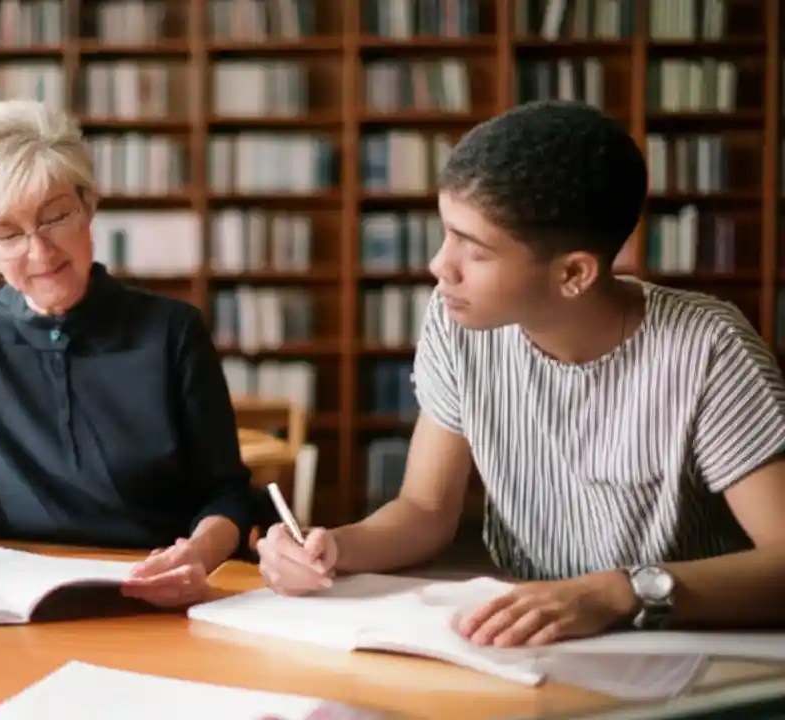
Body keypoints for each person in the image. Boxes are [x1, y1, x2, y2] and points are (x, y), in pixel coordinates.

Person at [257, 100, 785, 646]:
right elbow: (425, 509)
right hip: (539, 646)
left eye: (475, 250)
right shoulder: (456, 321)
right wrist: (333, 548)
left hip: (686, 647)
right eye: (447, 233)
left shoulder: (708, 347)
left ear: (573, 273)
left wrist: (616, 592)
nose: (441, 266)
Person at [0, 99, 253, 608]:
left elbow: (228, 494)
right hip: (20, 601)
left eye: (55, 217)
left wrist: (199, 553)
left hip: (159, 595)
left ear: (89, 204)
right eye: (7, 234)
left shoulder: (172, 331)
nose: (40, 252)